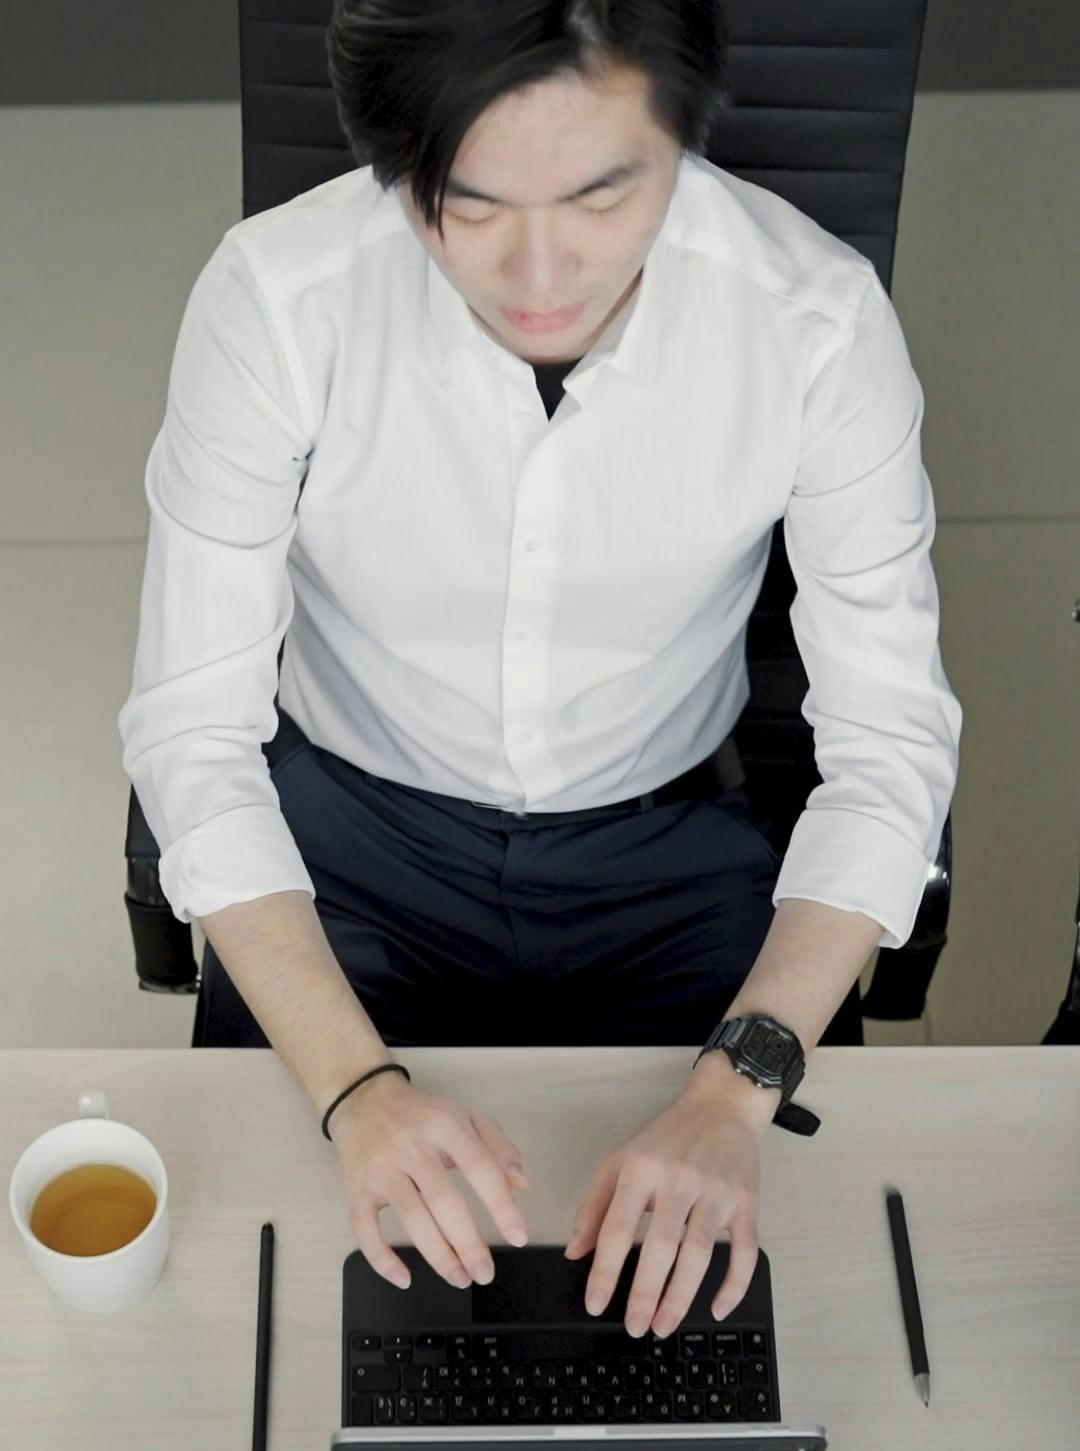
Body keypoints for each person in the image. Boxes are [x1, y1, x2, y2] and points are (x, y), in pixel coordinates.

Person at [118, 1, 962, 1341]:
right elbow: (189, 735)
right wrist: (355, 1091)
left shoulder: (814, 321)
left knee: (769, 1298)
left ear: (685, 133)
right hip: (348, 841)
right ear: (401, 159)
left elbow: (894, 751)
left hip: (671, 840)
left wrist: (733, 1093)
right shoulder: (277, 300)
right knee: (257, 1297)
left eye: (603, 191)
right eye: (467, 200)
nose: (540, 272)